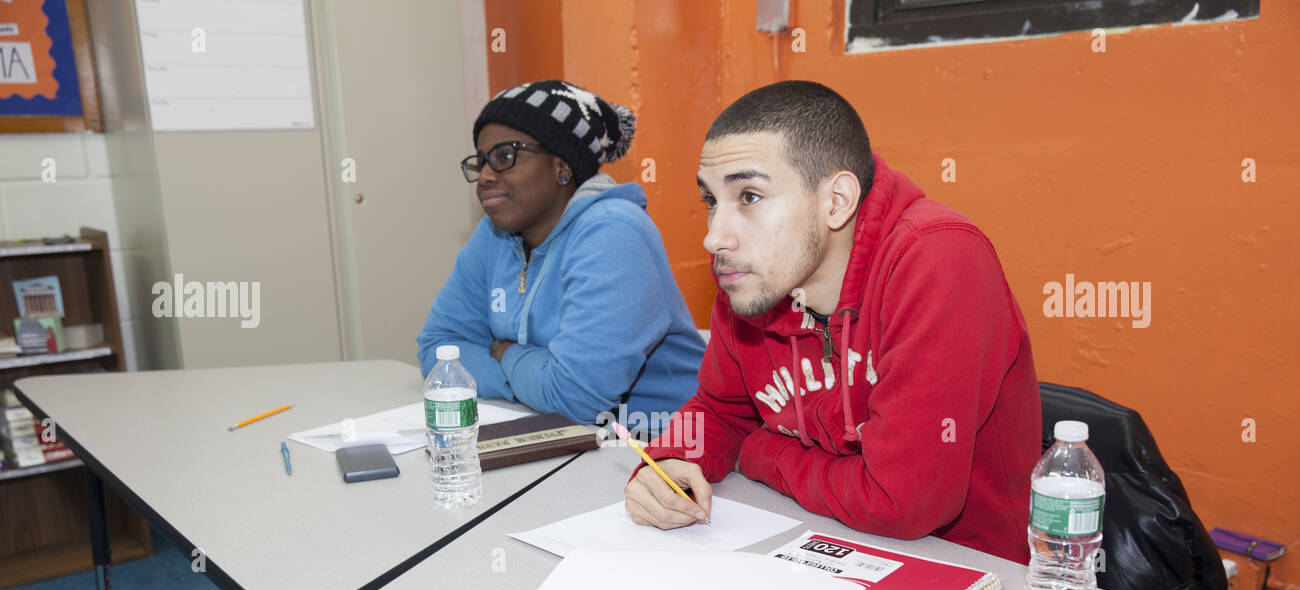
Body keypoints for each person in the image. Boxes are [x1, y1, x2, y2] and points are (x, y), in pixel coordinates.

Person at [624, 81, 1041, 563]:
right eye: (711, 202)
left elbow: (901, 503)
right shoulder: (757, 277)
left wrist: (758, 453)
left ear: (837, 201)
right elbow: (720, 410)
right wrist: (669, 462)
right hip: (811, 541)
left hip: (965, 576)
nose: (715, 238)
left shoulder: (940, 259)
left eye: (750, 197)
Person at [417, 79, 705, 432]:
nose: (486, 177)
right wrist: (535, 377)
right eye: (482, 161)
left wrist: (507, 353)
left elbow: (575, 399)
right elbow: (438, 351)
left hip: (659, 450)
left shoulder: (613, 232)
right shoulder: (493, 235)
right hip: (552, 433)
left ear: (561, 167)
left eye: (505, 156)